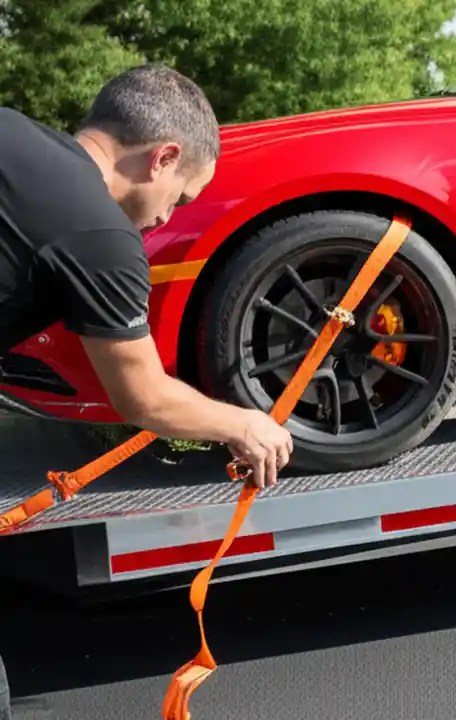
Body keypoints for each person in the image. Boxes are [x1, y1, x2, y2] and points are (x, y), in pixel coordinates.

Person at [0, 65, 295, 719]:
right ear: (162, 156)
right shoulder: (101, 235)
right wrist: (246, 425)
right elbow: (144, 397)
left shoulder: (13, 136)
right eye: (181, 197)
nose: (167, 216)